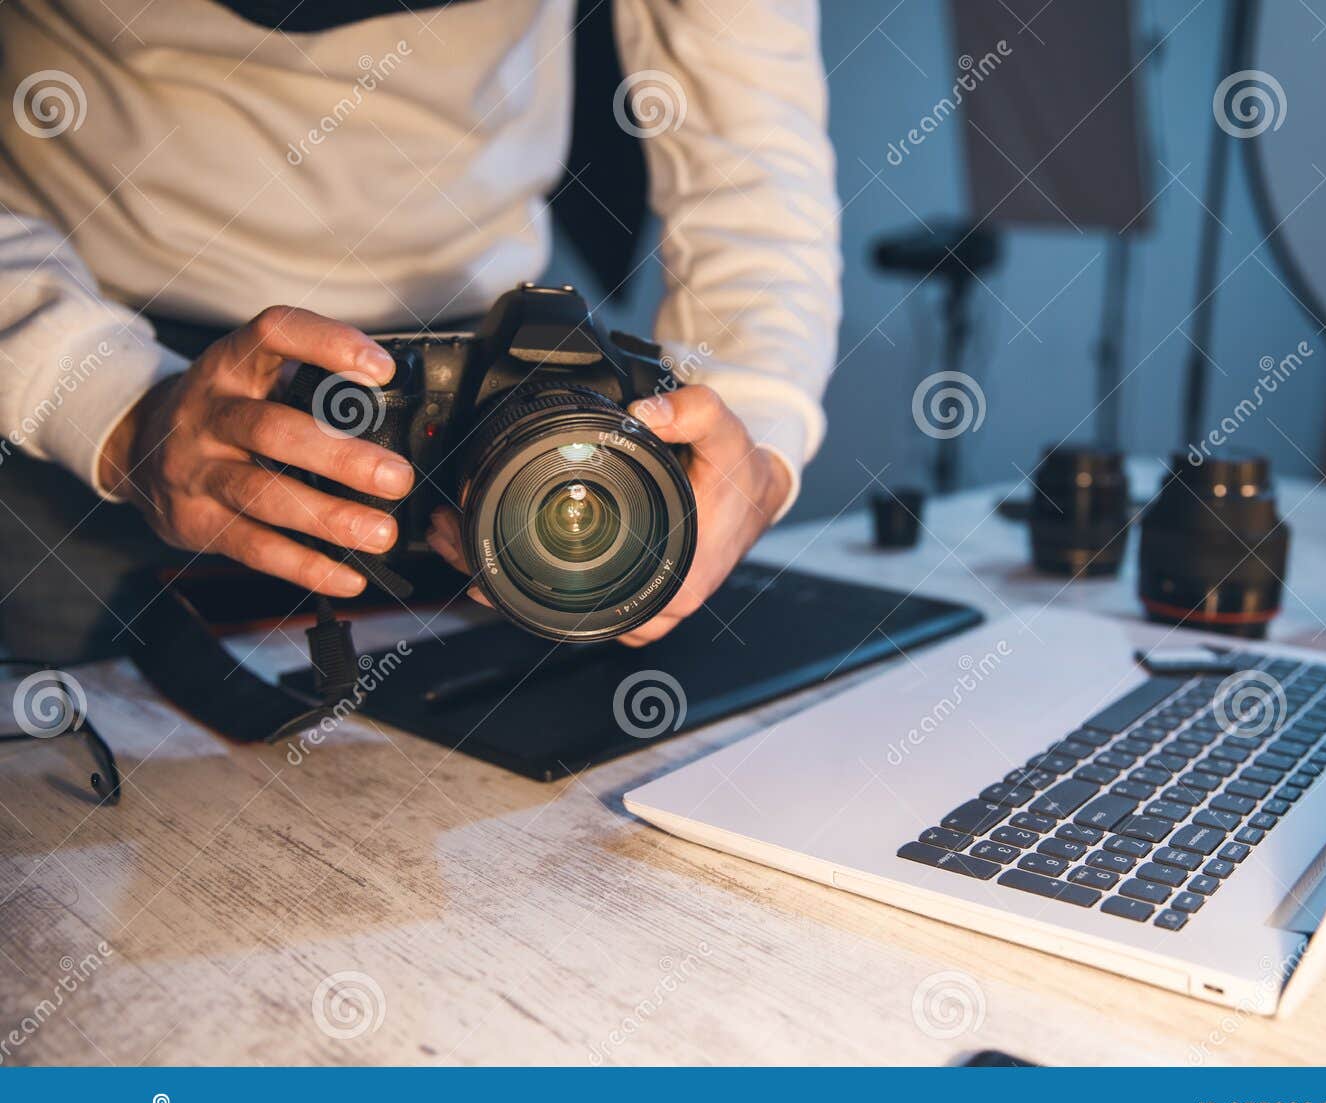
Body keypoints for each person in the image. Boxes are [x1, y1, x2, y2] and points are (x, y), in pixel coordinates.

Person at [0, 0, 840, 660]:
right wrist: (111, 408)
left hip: (494, 384)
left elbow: (754, 151)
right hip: (105, 377)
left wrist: (757, 436)